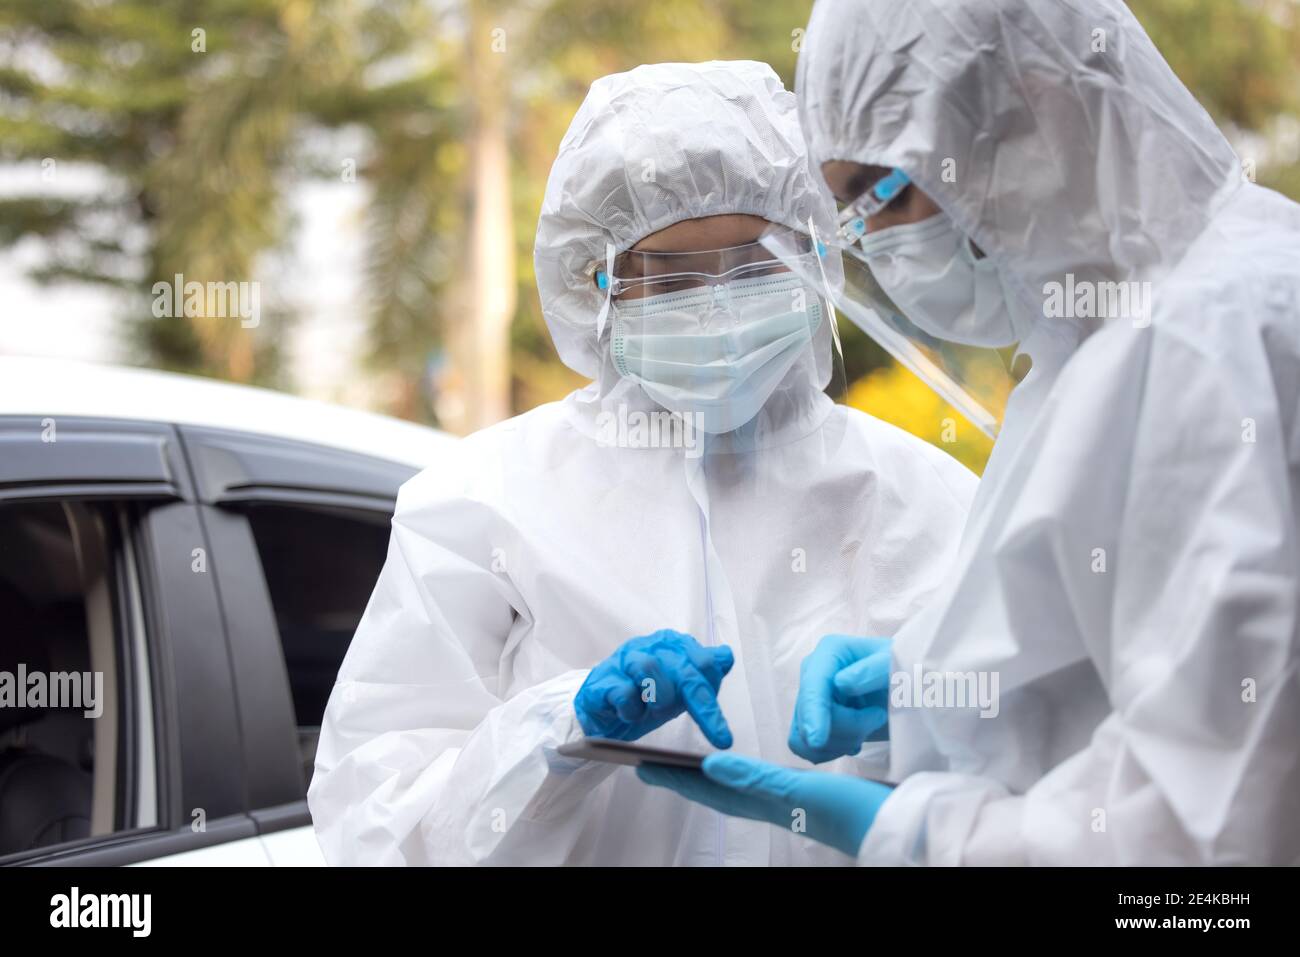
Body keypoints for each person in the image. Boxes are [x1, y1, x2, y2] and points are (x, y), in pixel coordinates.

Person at [641, 0, 1300, 865]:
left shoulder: (1218, 336)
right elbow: (1113, 653)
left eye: (879, 193)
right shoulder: (1093, 348)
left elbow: (1214, 841)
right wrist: (927, 685)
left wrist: (918, 834)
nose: (870, 242)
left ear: (1031, 105)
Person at [307, 60, 977, 865]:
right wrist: (561, 728)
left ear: (814, 254)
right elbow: (375, 823)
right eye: (672, 277)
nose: (720, 305)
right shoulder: (480, 503)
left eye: (757, 262)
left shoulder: (932, 500)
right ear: (596, 284)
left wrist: (925, 719)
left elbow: (1038, 786)